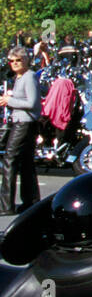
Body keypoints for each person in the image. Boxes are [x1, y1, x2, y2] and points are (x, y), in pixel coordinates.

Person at [0, 47, 41, 214]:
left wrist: (10, 100)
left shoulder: (29, 76)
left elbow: (32, 103)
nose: (15, 64)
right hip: (23, 123)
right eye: (12, 61)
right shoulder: (20, 77)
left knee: (10, 160)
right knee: (26, 163)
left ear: (26, 61)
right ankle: (31, 202)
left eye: (19, 60)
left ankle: (6, 205)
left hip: (24, 123)